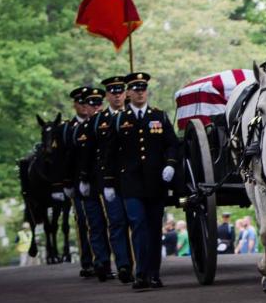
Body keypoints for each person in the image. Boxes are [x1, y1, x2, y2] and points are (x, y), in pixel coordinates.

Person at [104, 71, 180, 291]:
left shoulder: (159, 116)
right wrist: (109, 182)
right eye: (135, 89)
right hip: (131, 183)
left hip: (155, 182)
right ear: (128, 92)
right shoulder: (120, 119)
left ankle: (154, 274)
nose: (140, 93)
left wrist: (171, 164)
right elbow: (109, 153)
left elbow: (172, 144)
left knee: (155, 228)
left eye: (143, 89)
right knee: (138, 226)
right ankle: (141, 274)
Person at [78, 81, 133, 283]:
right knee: (117, 222)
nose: (117, 96)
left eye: (120, 92)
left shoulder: (134, 115)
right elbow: (88, 152)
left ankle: (141, 265)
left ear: (125, 94)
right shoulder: (98, 121)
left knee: (136, 222)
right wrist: (84, 177)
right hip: (109, 181)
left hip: (132, 179)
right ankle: (124, 265)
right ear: (107, 96)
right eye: (113, 92)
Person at [63, 85, 99, 277]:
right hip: (79, 182)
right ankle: (88, 260)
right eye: (82, 102)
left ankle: (101, 258)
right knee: (83, 220)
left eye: (90, 102)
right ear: (76, 105)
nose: (85, 106)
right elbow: (66, 158)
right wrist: (67, 183)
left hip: (98, 179)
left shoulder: (100, 123)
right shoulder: (69, 129)